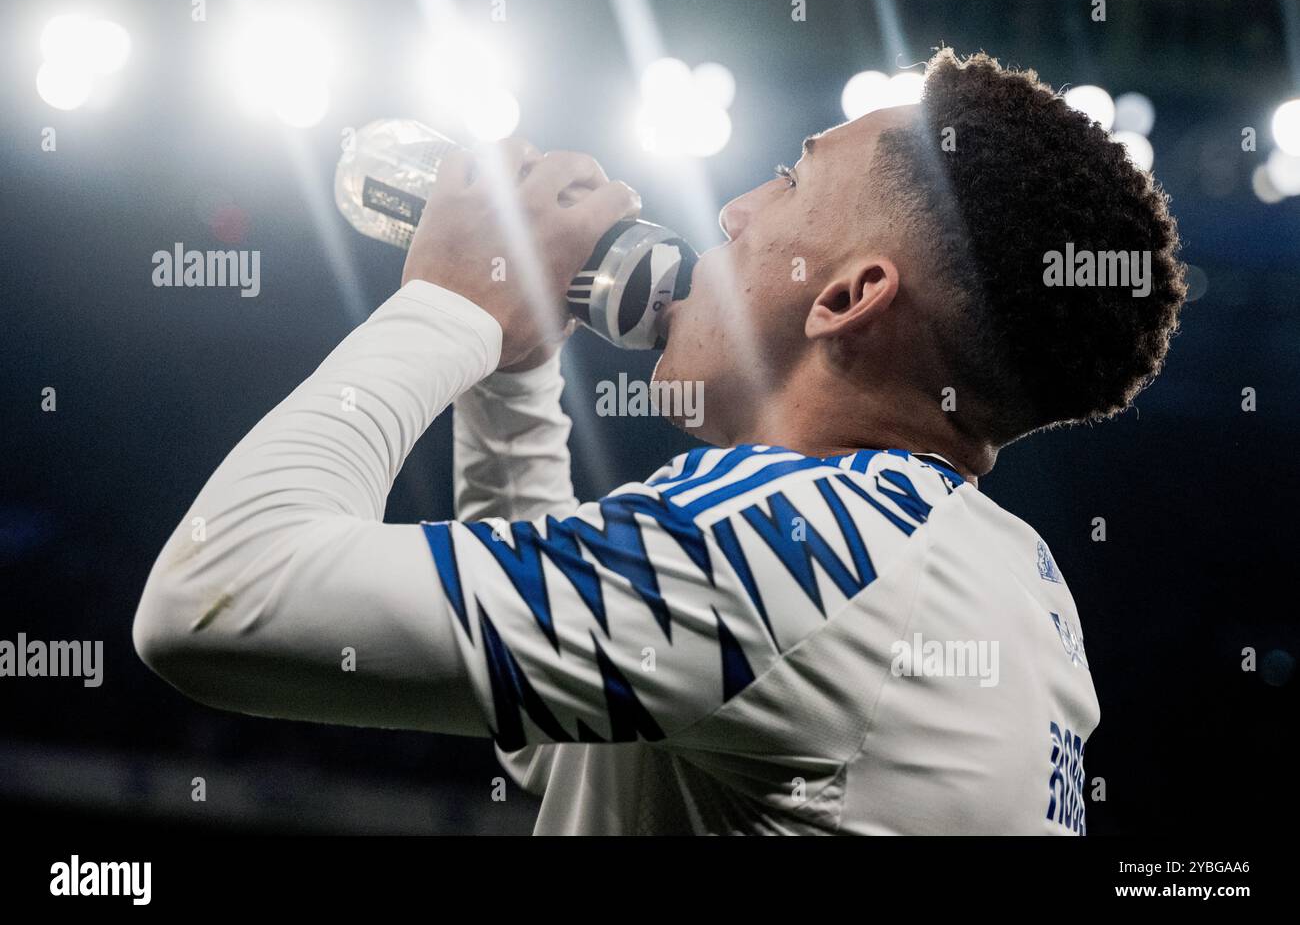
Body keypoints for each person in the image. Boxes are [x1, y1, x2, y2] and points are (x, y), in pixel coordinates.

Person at [133, 49, 1187, 834]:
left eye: (787, 179)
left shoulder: (798, 540)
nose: (729, 211)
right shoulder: (1006, 571)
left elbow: (215, 596)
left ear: (848, 296)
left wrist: (444, 310)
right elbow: (570, 737)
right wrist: (516, 362)